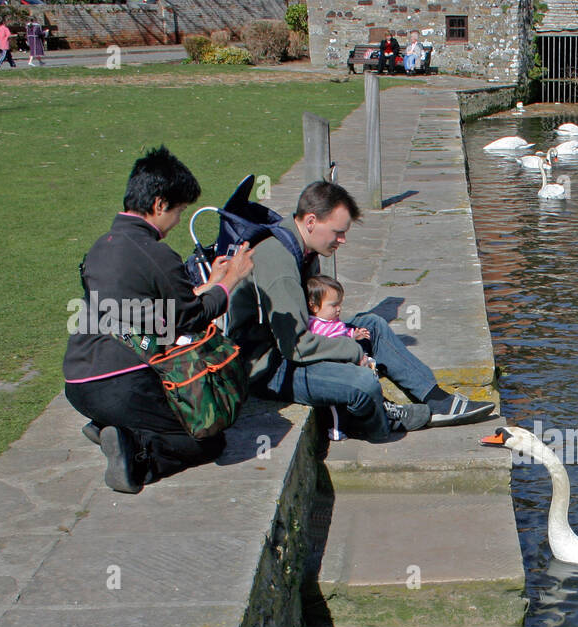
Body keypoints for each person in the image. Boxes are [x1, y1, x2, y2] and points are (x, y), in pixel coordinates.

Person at [230, 180, 495, 443]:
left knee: (373, 326)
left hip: (287, 348)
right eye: (338, 232)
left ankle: (437, 400)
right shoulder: (280, 263)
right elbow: (296, 346)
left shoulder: (303, 248)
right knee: (362, 383)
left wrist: (348, 339)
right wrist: (353, 350)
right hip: (268, 368)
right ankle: (378, 420)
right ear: (311, 221)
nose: (342, 240)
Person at [65, 146, 255, 493]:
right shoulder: (154, 252)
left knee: (170, 420)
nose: (179, 221)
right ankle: (139, 455)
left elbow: (158, 313)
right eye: (179, 211)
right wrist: (230, 282)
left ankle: (108, 425)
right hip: (120, 384)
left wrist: (210, 284)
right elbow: (190, 319)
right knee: (208, 441)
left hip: (79, 385)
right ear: (159, 204)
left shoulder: (101, 247)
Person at [305, 274, 378, 441]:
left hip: (347, 362)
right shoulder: (316, 326)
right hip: (334, 368)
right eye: (333, 305)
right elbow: (330, 343)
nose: (338, 309)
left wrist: (354, 334)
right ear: (314, 306)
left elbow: (343, 331)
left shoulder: (331, 321)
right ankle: (336, 430)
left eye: (340, 304)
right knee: (337, 407)